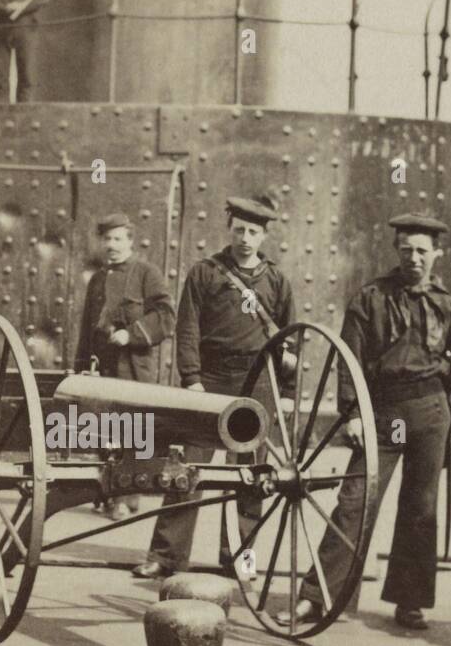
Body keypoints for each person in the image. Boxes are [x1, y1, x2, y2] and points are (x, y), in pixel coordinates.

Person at [279, 213, 451, 631]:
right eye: (406, 249)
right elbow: (350, 362)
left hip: (432, 414)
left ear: (437, 253)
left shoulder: (449, 307)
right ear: (396, 251)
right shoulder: (370, 299)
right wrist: (352, 415)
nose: (414, 258)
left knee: (421, 510)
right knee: (355, 503)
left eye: (422, 250)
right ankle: (321, 596)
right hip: (382, 413)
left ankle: (410, 601)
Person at [131, 195, 294, 579]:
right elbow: (188, 328)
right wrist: (192, 379)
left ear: (265, 236)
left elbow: (289, 339)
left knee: (251, 476)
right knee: (187, 469)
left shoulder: (276, 281)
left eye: (254, 232)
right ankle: (166, 556)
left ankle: (240, 558)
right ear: (230, 229)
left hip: (257, 384)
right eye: (239, 229)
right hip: (211, 380)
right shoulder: (205, 273)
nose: (245, 239)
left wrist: (284, 393)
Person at [75, 211, 176, 518]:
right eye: (107, 239)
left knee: (133, 427)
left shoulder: (147, 273)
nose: (112, 245)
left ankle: (126, 494)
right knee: (106, 426)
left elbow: (166, 316)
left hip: (133, 365)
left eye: (118, 239)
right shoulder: (98, 279)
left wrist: (131, 334)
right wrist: (81, 364)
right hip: (103, 364)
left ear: (130, 241)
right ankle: (110, 491)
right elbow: (87, 327)